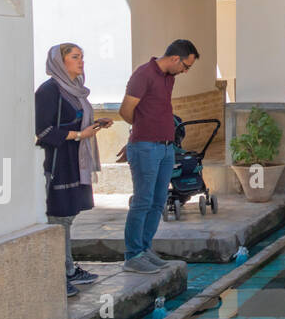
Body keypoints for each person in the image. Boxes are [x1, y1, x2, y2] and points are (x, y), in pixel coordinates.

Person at [118, 40, 199, 274]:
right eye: (186, 66)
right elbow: (125, 110)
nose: (185, 71)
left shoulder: (169, 77)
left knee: (158, 200)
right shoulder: (143, 75)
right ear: (175, 58)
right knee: (142, 201)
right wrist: (143, 131)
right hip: (146, 147)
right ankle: (133, 255)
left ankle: (145, 249)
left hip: (165, 148)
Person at [35, 43, 107, 297]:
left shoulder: (75, 90)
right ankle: (60, 274)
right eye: (75, 57)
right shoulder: (49, 91)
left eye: (82, 57)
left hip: (75, 161)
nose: (81, 62)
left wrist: (94, 125)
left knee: (69, 216)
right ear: (59, 62)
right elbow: (42, 131)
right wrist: (78, 134)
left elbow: (75, 120)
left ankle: (67, 269)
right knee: (59, 219)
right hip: (59, 162)